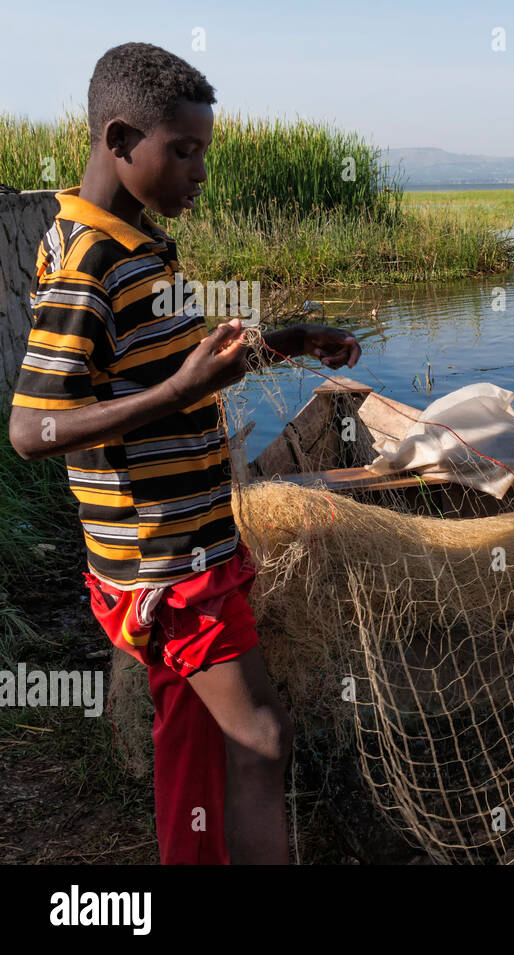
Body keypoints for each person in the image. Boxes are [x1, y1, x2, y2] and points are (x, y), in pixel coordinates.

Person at [7, 43, 361, 862]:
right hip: (168, 565)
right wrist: (174, 394)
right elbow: (32, 429)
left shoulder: (134, 242)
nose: (201, 170)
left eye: (207, 149)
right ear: (121, 139)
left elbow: (177, 369)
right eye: (185, 150)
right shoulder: (90, 264)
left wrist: (289, 340)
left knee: (191, 739)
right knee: (263, 737)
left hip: (179, 546)